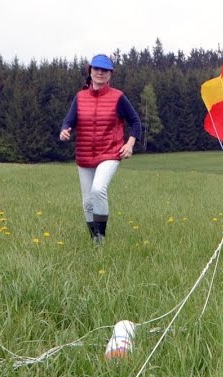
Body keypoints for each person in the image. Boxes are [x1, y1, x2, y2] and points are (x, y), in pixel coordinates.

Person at [59, 54, 142, 245]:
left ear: (110, 75)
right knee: (87, 202)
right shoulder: (80, 97)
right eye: (96, 69)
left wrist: (129, 144)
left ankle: (101, 240)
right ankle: (94, 240)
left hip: (110, 152)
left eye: (104, 70)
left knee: (98, 189)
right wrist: (64, 131)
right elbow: (68, 121)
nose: (100, 73)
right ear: (90, 71)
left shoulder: (118, 97)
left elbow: (135, 121)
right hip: (84, 154)